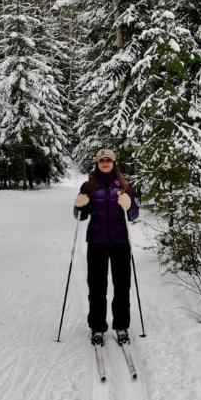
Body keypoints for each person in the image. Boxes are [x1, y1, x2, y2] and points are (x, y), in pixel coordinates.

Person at [73, 148, 139, 346]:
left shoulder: (125, 186)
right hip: (96, 242)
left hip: (120, 243)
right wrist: (78, 205)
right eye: (101, 160)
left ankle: (121, 326)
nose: (105, 163)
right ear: (97, 163)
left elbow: (134, 216)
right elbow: (80, 217)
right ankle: (97, 328)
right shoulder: (88, 186)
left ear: (113, 162)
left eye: (108, 160)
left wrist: (129, 205)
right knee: (97, 288)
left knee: (122, 287)